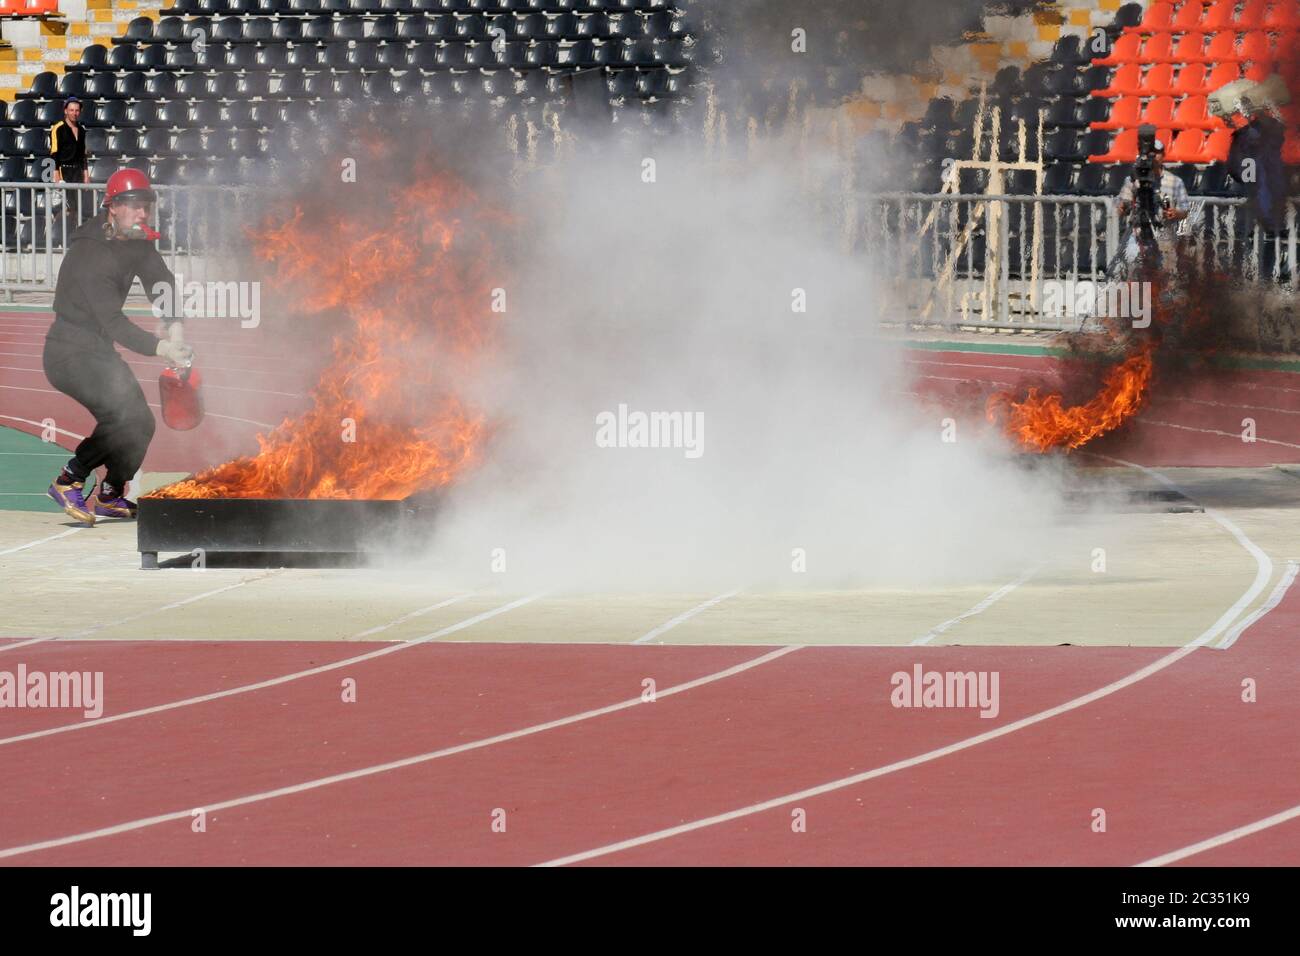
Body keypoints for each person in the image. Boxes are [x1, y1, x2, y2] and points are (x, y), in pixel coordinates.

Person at [44, 169, 193, 525]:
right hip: (69, 352)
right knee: (122, 418)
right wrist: (163, 349)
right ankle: (69, 479)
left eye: (147, 207)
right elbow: (115, 324)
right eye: (134, 207)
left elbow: (164, 284)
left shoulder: (137, 242)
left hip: (98, 349)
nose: (143, 214)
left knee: (141, 423)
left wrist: (175, 327)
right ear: (112, 207)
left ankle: (111, 493)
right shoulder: (91, 254)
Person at [49, 96, 90, 185]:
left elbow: (83, 155)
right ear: (65, 111)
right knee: (64, 199)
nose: (74, 113)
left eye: (77, 110)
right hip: (63, 170)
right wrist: (56, 174)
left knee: (78, 199)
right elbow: (54, 153)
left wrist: (86, 175)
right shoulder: (58, 128)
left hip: (78, 172)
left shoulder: (82, 130)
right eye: (71, 110)